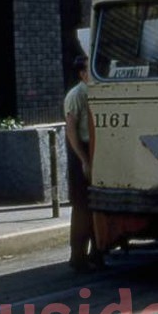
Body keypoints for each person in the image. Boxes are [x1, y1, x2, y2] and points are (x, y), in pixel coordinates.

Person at [64, 53, 102, 271]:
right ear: (82, 74)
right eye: (91, 69)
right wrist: (83, 160)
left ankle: (97, 252)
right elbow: (71, 130)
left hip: (96, 150)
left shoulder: (98, 93)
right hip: (82, 151)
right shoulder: (76, 95)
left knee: (97, 204)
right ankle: (78, 256)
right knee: (82, 206)